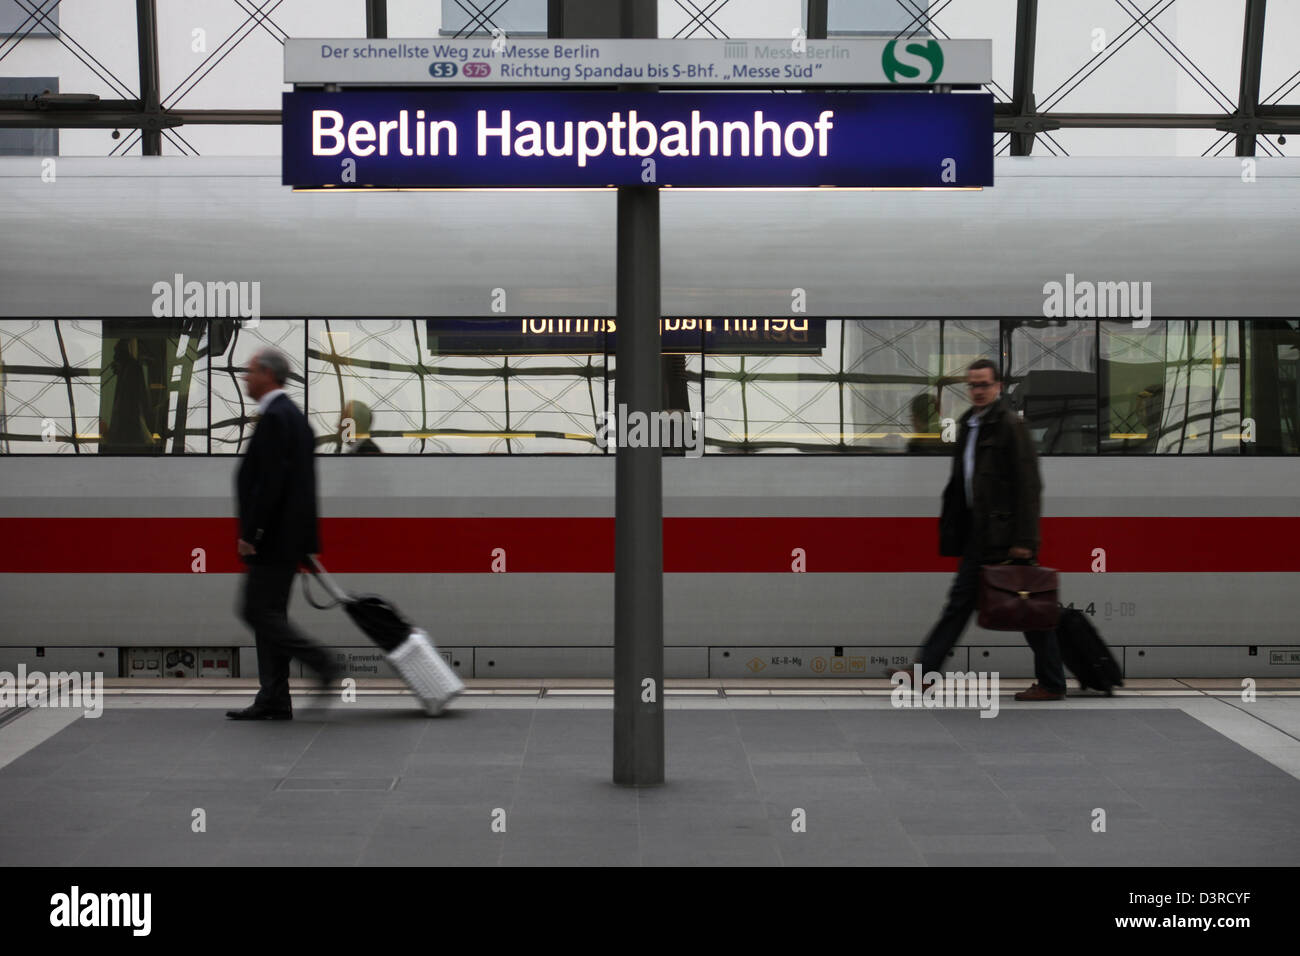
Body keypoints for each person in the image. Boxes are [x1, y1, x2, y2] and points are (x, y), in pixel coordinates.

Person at [895, 359, 1067, 701]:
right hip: (979, 532)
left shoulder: (1009, 425)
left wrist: (1024, 542)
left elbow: (1028, 486)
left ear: (998, 386)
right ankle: (924, 672)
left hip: (1005, 537)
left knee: (1028, 608)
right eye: (972, 385)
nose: (977, 391)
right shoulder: (970, 424)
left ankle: (1052, 682)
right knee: (963, 604)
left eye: (984, 385)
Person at [227, 348, 340, 720]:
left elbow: (270, 485)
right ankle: (274, 697)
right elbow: (296, 486)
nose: (245, 377)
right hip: (287, 537)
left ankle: (321, 662)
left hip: (273, 538)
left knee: (257, 610)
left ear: (268, 375)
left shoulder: (277, 417)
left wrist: (253, 533)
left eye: (250, 371)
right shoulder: (292, 417)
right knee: (268, 612)